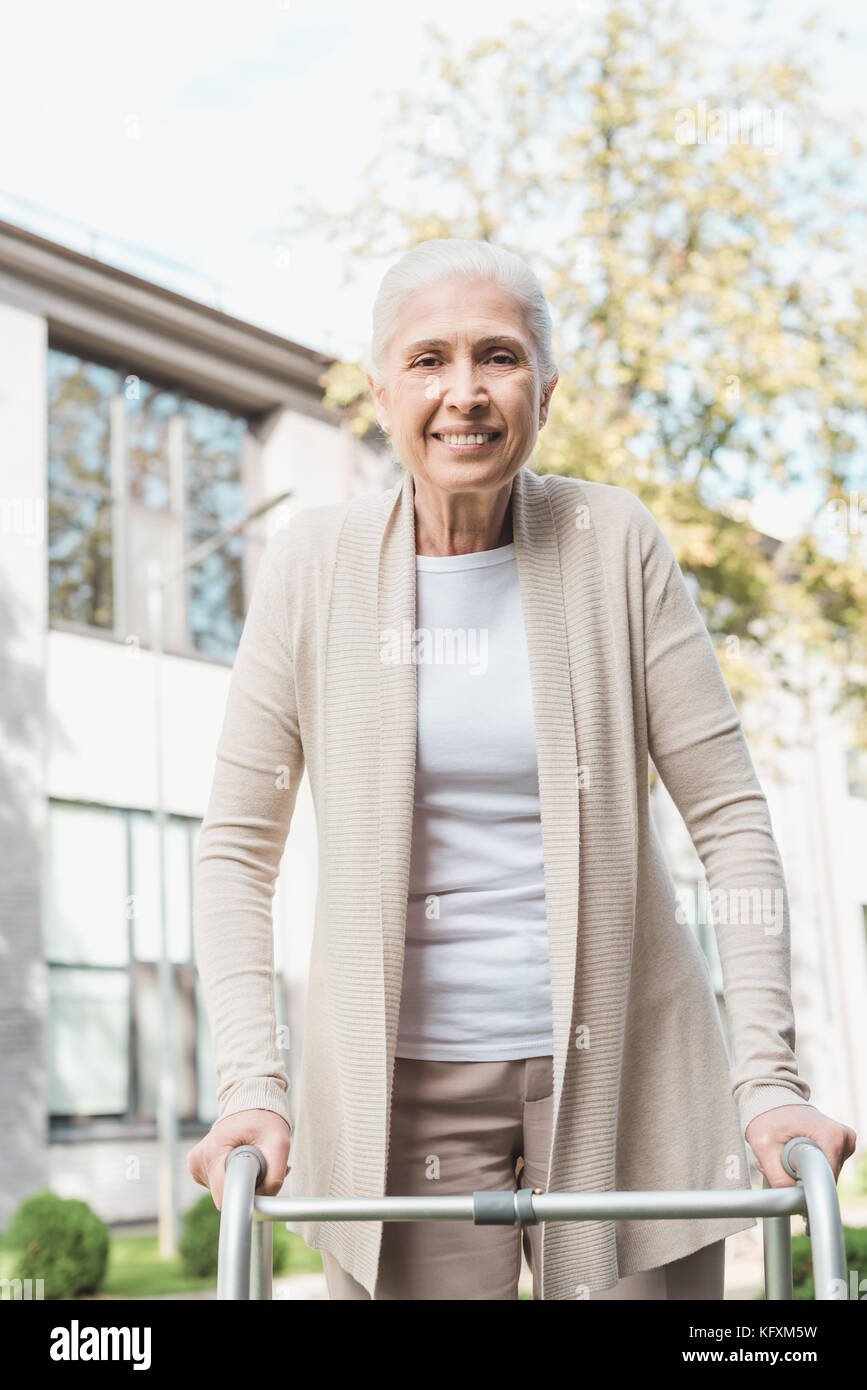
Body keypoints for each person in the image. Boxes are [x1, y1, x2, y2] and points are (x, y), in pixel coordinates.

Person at [187, 237, 856, 1300]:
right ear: (378, 391)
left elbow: (728, 813)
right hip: (400, 1096)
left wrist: (767, 1079)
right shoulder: (312, 568)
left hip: (628, 1070)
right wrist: (250, 1087)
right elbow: (233, 853)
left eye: (497, 357)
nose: (464, 393)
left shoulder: (614, 542)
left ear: (545, 384)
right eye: (428, 360)